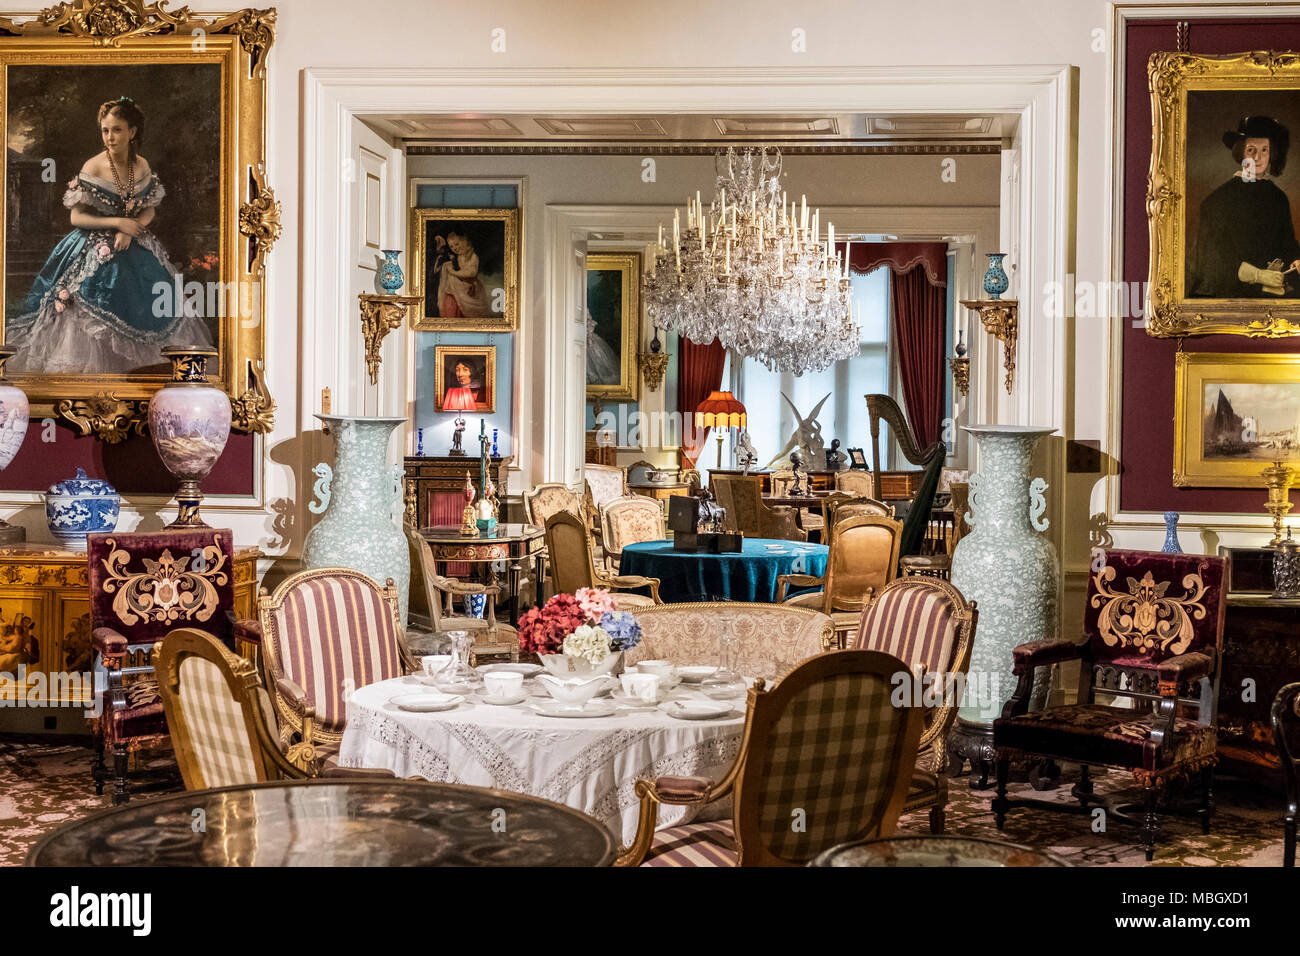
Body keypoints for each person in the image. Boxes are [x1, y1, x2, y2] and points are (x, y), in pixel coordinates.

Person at [6, 97, 213, 373]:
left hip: (136, 246)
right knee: (86, 306)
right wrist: (119, 223)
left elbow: (150, 209)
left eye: (116, 130)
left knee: (152, 301)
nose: (110, 137)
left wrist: (133, 227)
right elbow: (76, 216)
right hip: (92, 246)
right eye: (105, 130)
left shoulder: (141, 165)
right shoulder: (93, 166)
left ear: (132, 132)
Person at [1189, 115, 1300, 298]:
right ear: (1241, 153)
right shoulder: (1217, 200)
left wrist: (1296, 259)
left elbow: (1286, 242)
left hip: (1275, 291)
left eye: (1265, 150)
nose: (1258, 157)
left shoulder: (1279, 198)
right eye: (1251, 150)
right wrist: (1257, 275)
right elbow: (1213, 259)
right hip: (1233, 293)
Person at [436, 231, 491, 317]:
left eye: (457, 244)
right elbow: (458, 268)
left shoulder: (473, 256)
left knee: (470, 309)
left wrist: (453, 272)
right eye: (451, 246)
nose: (455, 248)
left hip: (470, 287)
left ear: (466, 241)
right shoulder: (459, 256)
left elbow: (471, 273)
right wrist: (451, 264)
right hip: (460, 286)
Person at [585, 308, 620, 385]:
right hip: (580, 340)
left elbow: (589, 320)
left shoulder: (584, 308)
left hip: (589, 339)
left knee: (598, 357)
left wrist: (588, 331)